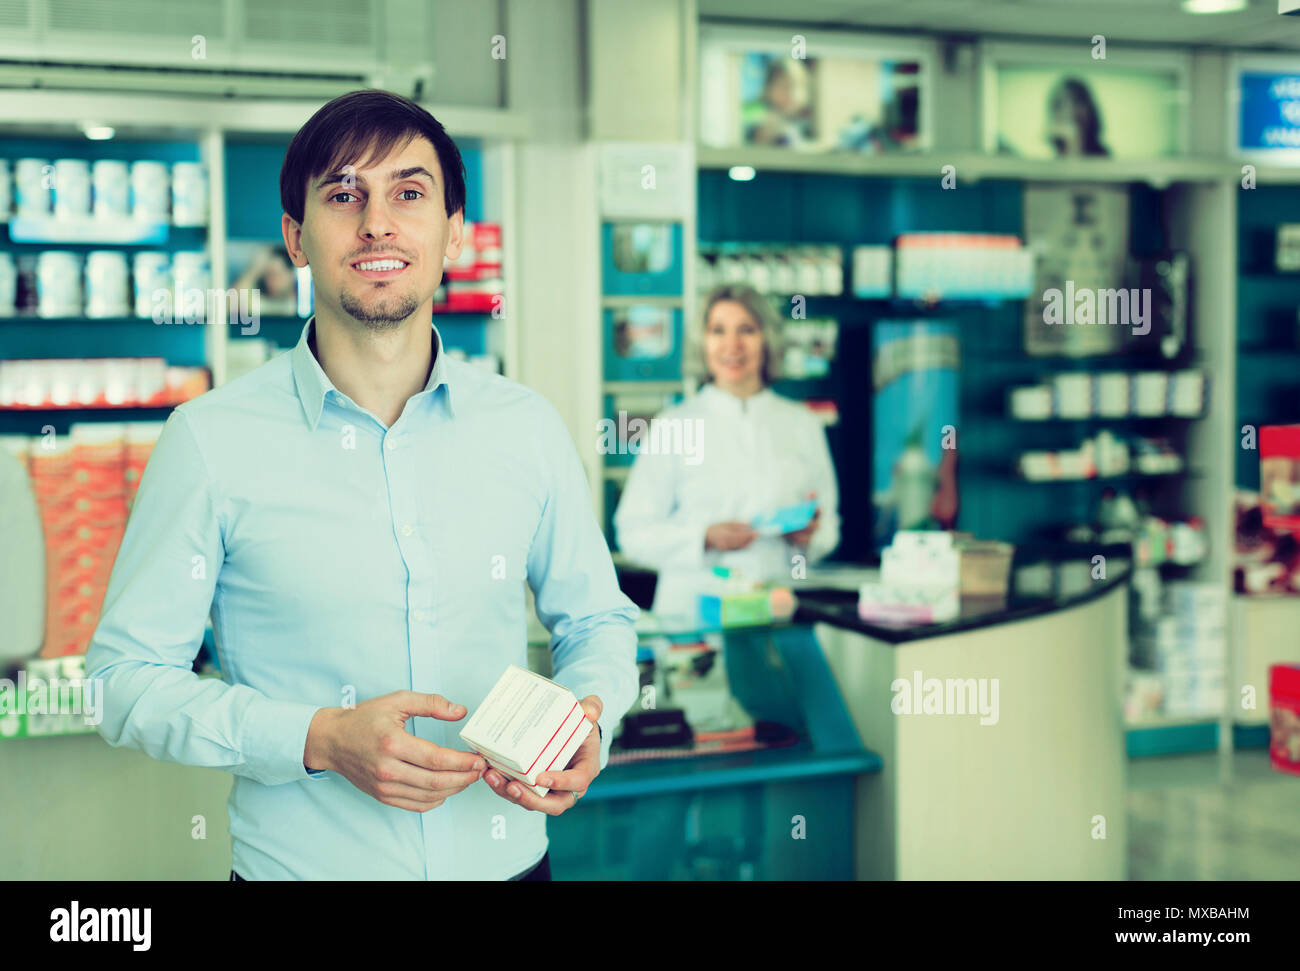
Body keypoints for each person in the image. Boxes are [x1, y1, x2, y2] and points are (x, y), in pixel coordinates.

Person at [85, 89, 639, 881]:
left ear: (453, 232)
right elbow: (123, 684)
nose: (377, 221)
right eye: (344, 194)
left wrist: (591, 711)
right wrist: (315, 737)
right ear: (296, 237)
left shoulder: (527, 427)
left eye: (409, 193)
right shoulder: (209, 440)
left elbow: (596, 620)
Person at [614, 284, 840, 620]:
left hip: (772, 611)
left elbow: (830, 528)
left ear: (767, 340)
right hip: (691, 617)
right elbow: (633, 533)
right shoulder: (674, 425)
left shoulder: (802, 424)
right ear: (703, 343)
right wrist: (703, 537)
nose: (732, 345)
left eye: (746, 330)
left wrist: (808, 537)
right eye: (718, 330)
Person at [1046, 77, 1109, 157]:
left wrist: (1074, 144)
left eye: (1076, 101)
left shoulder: (1104, 159)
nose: (1069, 111)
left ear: (1090, 109)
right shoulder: (1046, 161)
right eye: (1059, 104)